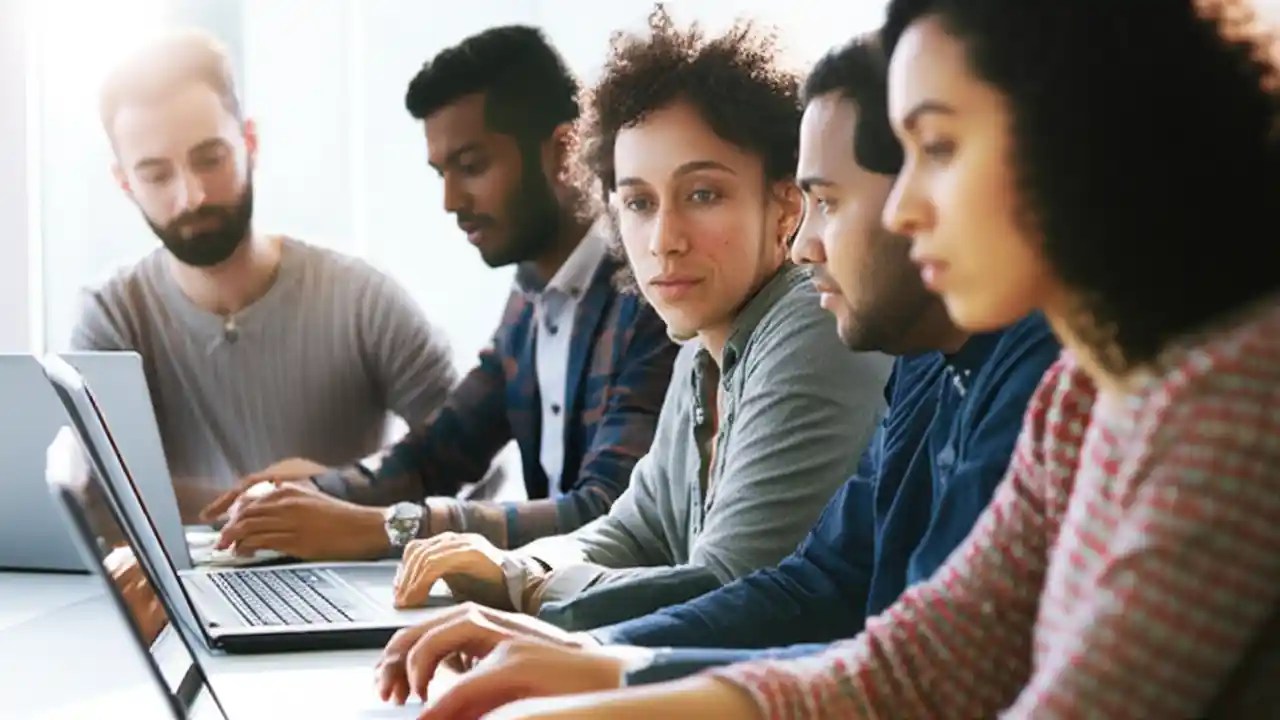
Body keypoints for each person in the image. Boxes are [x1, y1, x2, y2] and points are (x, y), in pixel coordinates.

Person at [446, 1, 1280, 717]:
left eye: (938, 148)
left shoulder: (1238, 402)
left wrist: (585, 657)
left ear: (1077, 130)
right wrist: (604, 673)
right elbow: (914, 668)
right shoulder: (1084, 394)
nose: (905, 208)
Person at [369, 35, 1061, 715]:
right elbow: (820, 581)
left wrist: (573, 637)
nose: (806, 244)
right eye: (637, 202)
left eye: (701, 194)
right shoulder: (915, 361)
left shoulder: (995, 362)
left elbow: (905, 662)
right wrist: (596, 652)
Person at [383, 7, 893, 630]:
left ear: (785, 206)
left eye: (703, 194)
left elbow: (730, 587)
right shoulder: (700, 356)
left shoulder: (809, 325)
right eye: (639, 202)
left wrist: (524, 587)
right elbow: (627, 533)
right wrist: (508, 566)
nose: (664, 239)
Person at [204, 26, 680, 560]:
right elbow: (438, 454)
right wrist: (310, 496)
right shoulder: (531, 298)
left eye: (472, 166)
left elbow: (609, 513)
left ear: (564, 151)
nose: (451, 201)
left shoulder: (651, 294)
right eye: (441, 173)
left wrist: (389, 528)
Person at [72, 29, 458, 523]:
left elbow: (474, 463)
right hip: (189, 591)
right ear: (125, 183)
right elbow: (97, 495)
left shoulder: (362, 299)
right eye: (156, 175)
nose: (191, 197)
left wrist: (345, 494)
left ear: (249, 142)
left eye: (210, 159)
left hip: (350, 583)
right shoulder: (112, 317)